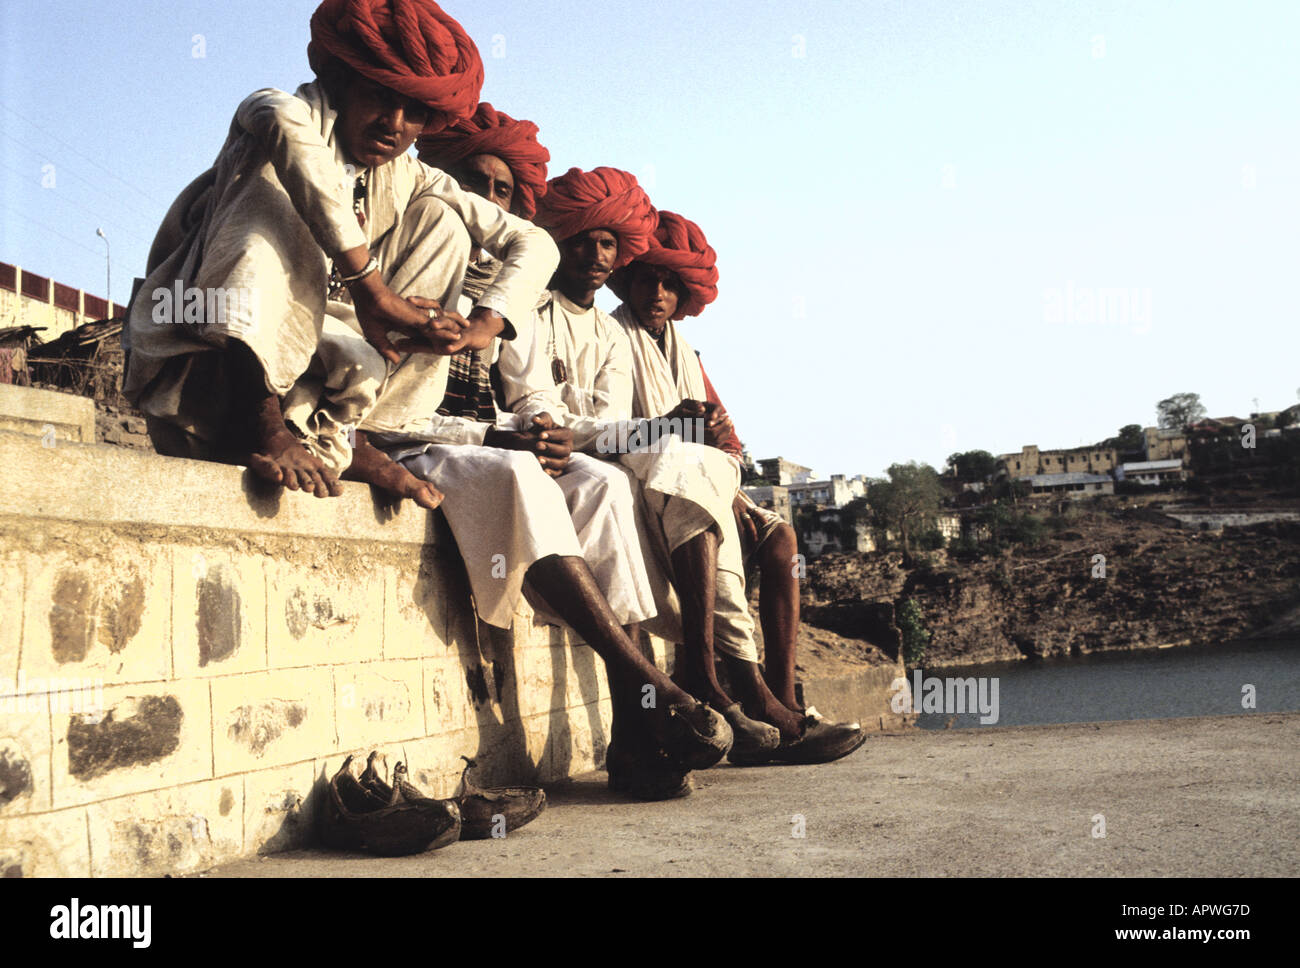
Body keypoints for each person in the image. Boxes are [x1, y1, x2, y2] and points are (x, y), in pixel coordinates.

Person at [124, 0, 522, 509]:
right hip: (202, 367)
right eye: (380, 95)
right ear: (342, 81)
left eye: (414, 112)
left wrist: (487, 321)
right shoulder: (279, 115)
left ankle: (360, 436)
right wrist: (371, 287)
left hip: (323, 397)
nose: (394, 124)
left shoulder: (410, 178)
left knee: (447, 223)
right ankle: (262, 422)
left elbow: (534, 243)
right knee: (279, 185)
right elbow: (278, 118)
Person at [497, 171, 788, 796]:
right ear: (559, 241)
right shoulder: (528, 307)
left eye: (608, 245)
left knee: (680, 475)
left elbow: (603, 424)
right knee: (620, 491)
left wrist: (647, 429)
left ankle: (679, 704)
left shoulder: (605, 331)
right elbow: (536, 404)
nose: (596, 257)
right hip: (537, 447)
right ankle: (662, 710)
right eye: (582, 242)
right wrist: (640, 431)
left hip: (588, 452)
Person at [608, 210, 869, 765]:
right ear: (627, 281)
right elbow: (608, 429)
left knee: (779, 539)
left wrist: (719, 445)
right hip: (645, 477)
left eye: (671, 283)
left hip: (696, 472)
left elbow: (726, 441)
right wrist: (685, 434)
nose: (657, 292)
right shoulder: (612, 336)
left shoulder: (683, 353)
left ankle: (782, 695)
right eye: (647, 278)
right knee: (702, 499)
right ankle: (741, 694)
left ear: (685, 295)